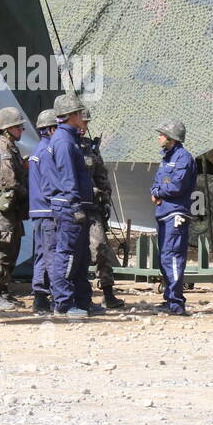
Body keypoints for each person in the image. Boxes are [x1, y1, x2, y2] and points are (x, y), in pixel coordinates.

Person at [42, 93, 97, 320]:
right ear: (71, 115)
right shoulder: (64, 141)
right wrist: (75, 205)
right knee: (68, 255)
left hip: (74, 204)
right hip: (68, 206)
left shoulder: (68, 138)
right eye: (79, 113)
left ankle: (82, 301)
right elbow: (67, 177)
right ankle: (63, 304)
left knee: (81, 256)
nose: (81, 118)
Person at [0, 106, 29, 311]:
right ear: (8, 129)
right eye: (18, 127)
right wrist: (28, 192)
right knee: (1, 248)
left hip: (12, 208)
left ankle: (3, 290)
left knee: (13, 248)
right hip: (4, 207)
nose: (21, 130)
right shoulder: (2, 148)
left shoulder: (11, 147)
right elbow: (8, 180)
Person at [150, 120, 196, 316]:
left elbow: (177, 185)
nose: (159, 137)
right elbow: (157, 181)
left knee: (173, 258)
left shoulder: (183, 158)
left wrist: (159, 191)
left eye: (162, 134)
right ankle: (169, 298)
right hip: (164, 213)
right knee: (164, 257)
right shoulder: (167, 157)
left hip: (176, 214)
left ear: (171, 138)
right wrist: (155, 190)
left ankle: (176, 303)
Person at [81, 109, 125, 310]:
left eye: (86, 123)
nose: (84, 126)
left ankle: (108, 292)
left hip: (94, 208)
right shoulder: (64, 144)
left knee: (100, 249)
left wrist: (105, 197)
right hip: (74, 207)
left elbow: (101, 175)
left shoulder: (90, 148)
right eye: (82, 122)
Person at [26, 108, 58, 315]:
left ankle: (40, 297)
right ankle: (56, 297)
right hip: (48, 210)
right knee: (52, 255)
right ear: (51, 129)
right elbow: (50, 185)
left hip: (39, 211)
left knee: (41, 254)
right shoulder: (46, 153)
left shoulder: (37, 150)